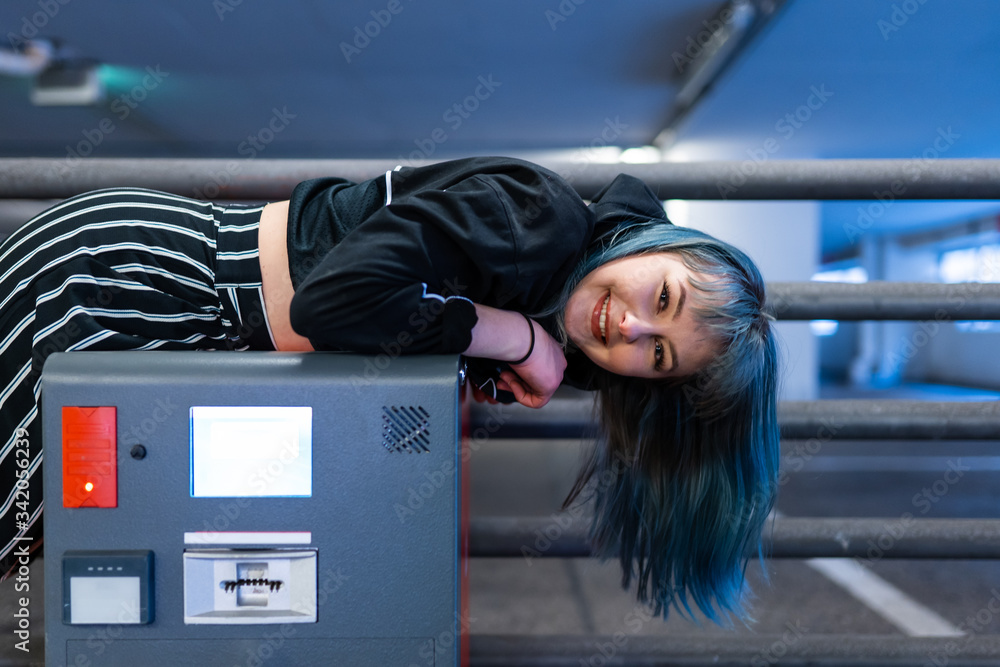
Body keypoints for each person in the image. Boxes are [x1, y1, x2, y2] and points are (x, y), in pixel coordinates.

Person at [0, 156, 778, 623]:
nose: (633, 326)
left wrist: (522, 345)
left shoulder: (563, 300)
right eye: (664, 296)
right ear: (657, 245)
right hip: (131, 284)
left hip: (180, 321)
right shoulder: (541, 220)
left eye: (660, 354)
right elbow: (331, 304)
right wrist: (515, 335)